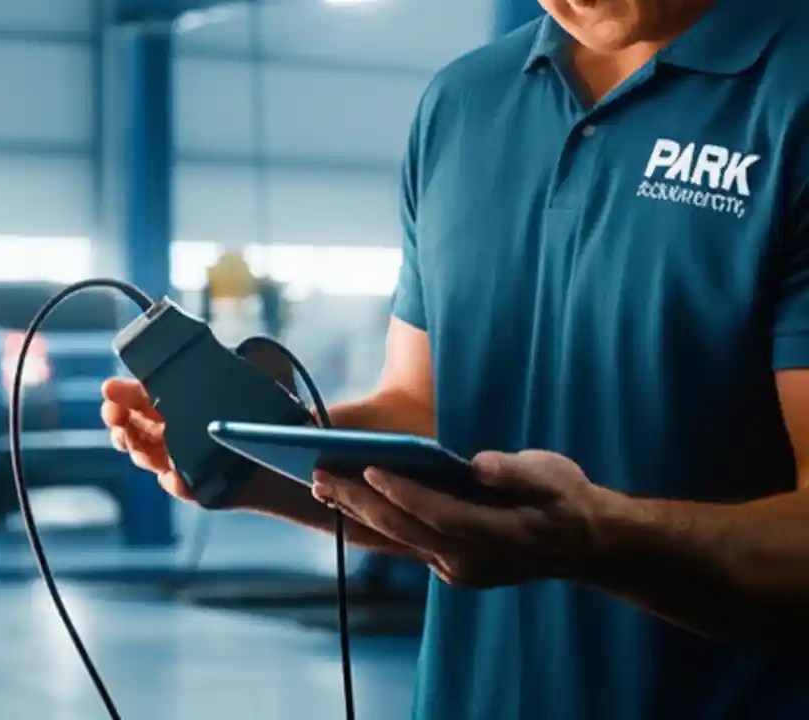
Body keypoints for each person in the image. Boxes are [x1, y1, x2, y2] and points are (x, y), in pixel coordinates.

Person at [101, 0, 809, 717]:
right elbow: (423, 416)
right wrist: (246, 459)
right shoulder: (462, 103)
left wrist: (596, 542)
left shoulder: (793, 88)